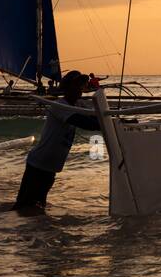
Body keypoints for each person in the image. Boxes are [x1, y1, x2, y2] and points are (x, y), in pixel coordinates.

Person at [13, 70, 101, 214]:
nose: (80, 89)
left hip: (51, 168)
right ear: (67, 88)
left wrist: (115, 120)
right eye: (76, 85)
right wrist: (103, 123)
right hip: (37, 165)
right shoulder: (60, 105)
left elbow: (94, 117)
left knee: (38, 207)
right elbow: (85, 123)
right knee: (23, 207)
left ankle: (33, 233)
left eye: (81, 85)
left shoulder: (79, 104)